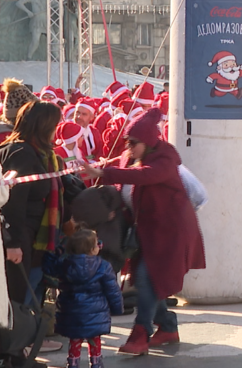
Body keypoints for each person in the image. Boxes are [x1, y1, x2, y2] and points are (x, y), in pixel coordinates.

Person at [81, 108, 205, 356]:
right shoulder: (130, 157)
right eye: (127, 141)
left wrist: (105, 172)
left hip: (171, 234)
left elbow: (146, 176)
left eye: (134, 142)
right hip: (149, 234)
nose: (129, 147)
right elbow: (127, 188)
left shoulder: (165, 160)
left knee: (148, 279)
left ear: (148, 142)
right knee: (145, 280)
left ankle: (140, 334)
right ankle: (168, 326)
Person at [1, 100, 64, 312]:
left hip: (30, 234)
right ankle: (15, 342)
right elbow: (13, 203)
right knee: (16, 296)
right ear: (44, 126)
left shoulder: (31, 151)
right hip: (20, 235)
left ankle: (25, 338)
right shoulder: (23, 154)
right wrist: (13, 243)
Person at [45, 229, 123, 368]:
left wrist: (54, 252)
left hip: (71, 311)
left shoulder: (65, 265)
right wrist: (117, 308)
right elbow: (113, 290)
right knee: (94, 340)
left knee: (75, 339)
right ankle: (96, 363)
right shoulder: (103, 266)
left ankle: (73, 363)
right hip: (95, 312)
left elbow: (48, 269)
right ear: (93, 249)